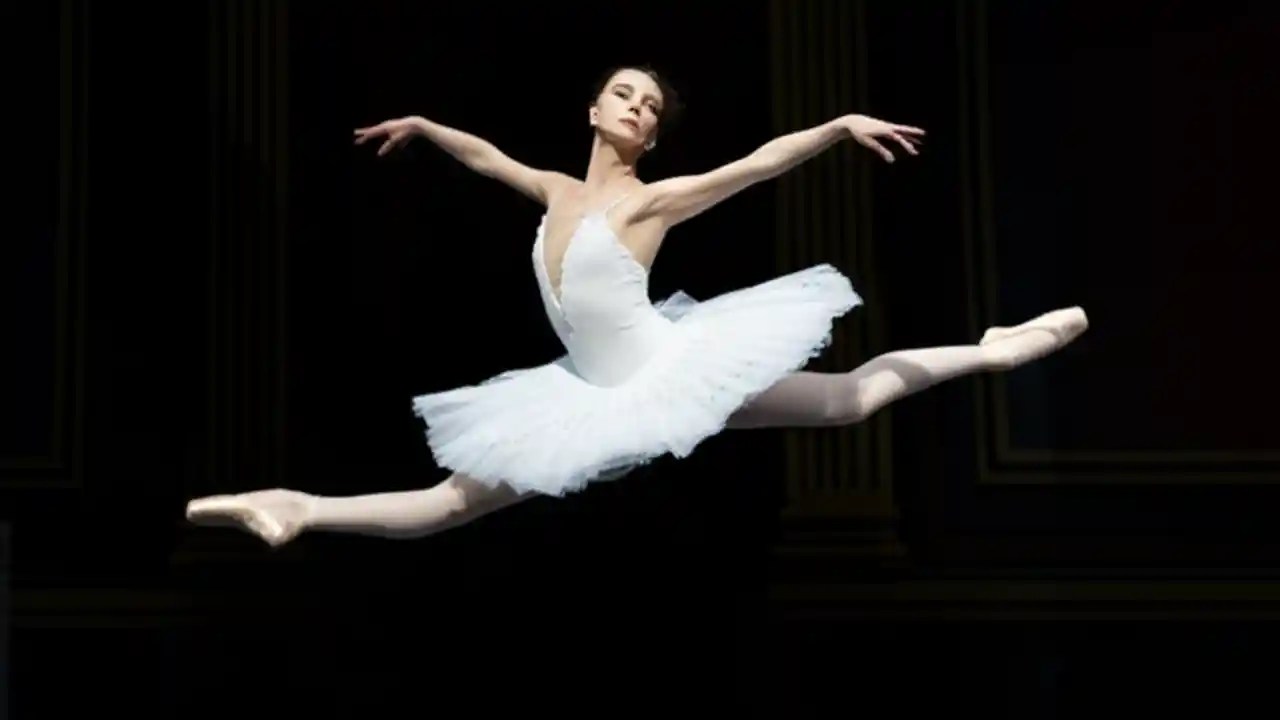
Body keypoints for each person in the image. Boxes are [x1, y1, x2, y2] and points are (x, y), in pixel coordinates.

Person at [185, 65, 1087, 547]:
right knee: (450, 507)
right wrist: (423, 128)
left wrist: (837, 127)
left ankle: (993, 350)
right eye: (625, 94)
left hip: (667, 371)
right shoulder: (552, 190)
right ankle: (297, 506)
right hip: (585, 392)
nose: (639, 110)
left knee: (849, 400)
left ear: (652, 134)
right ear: (593, 110)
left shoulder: (650, 202)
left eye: (650, 106)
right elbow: (484, 155)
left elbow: (758, 164)